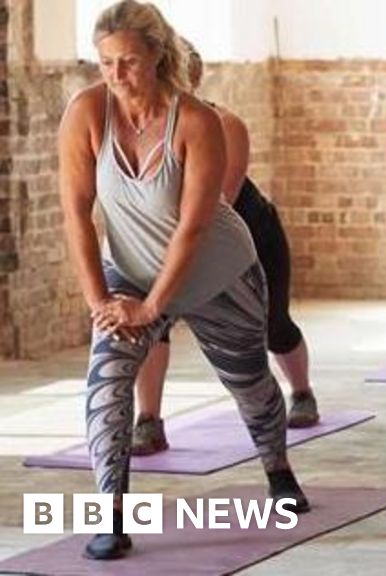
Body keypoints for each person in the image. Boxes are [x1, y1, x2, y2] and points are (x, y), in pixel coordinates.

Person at [58, 0, 308, 560]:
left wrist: (153, 309)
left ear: (157, 54)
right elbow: (76, 212)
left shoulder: (196, 122)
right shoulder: (87, 112)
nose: (116, 76)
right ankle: (112, 517)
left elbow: (193, 229)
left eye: (128, 62)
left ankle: (278, 469)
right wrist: (100, 299)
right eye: (105, 64)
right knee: (106, 384)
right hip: (130, 268)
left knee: (247, 381)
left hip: (216, 269)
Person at [129, 40, 320, 456]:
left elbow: (219, 205)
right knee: (154, 323)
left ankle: (302, 392)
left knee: (273, 325)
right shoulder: (147, 127)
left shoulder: (224, 124)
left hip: (247, 239)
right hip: (175, 240)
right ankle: (149, 420)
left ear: (193, 79)